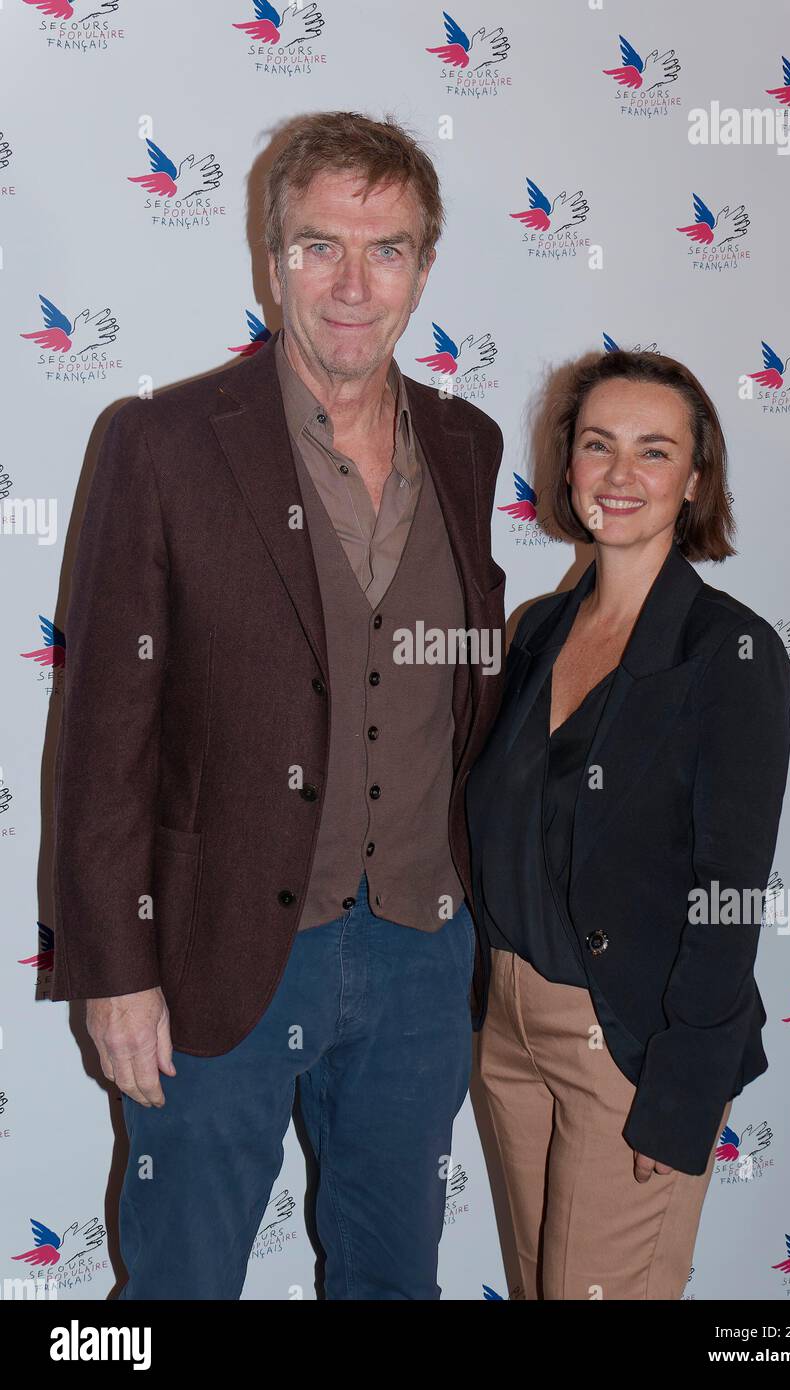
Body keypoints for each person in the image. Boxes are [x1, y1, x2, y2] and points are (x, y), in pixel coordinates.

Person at [50, 111, 507, 1300]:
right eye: (319, 247)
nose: (352, 284)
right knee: (182, 1283)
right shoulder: (160, 442)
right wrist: (115, 969)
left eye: (387, 249)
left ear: (423, 267)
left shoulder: (465, 443)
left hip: (417, 948)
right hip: (216, 950)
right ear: (270, 259)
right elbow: (102, 734)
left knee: (393, 1279)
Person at [465, 348, 790, 1300]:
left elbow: (731, 893)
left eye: (654, 452)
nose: (619, 475)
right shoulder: (536, 630)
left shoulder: (727, 650)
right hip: (510, 1035)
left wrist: (684, 1089)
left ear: (695, 480)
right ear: (566, 466)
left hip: (634, 1048)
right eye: (598, 445)